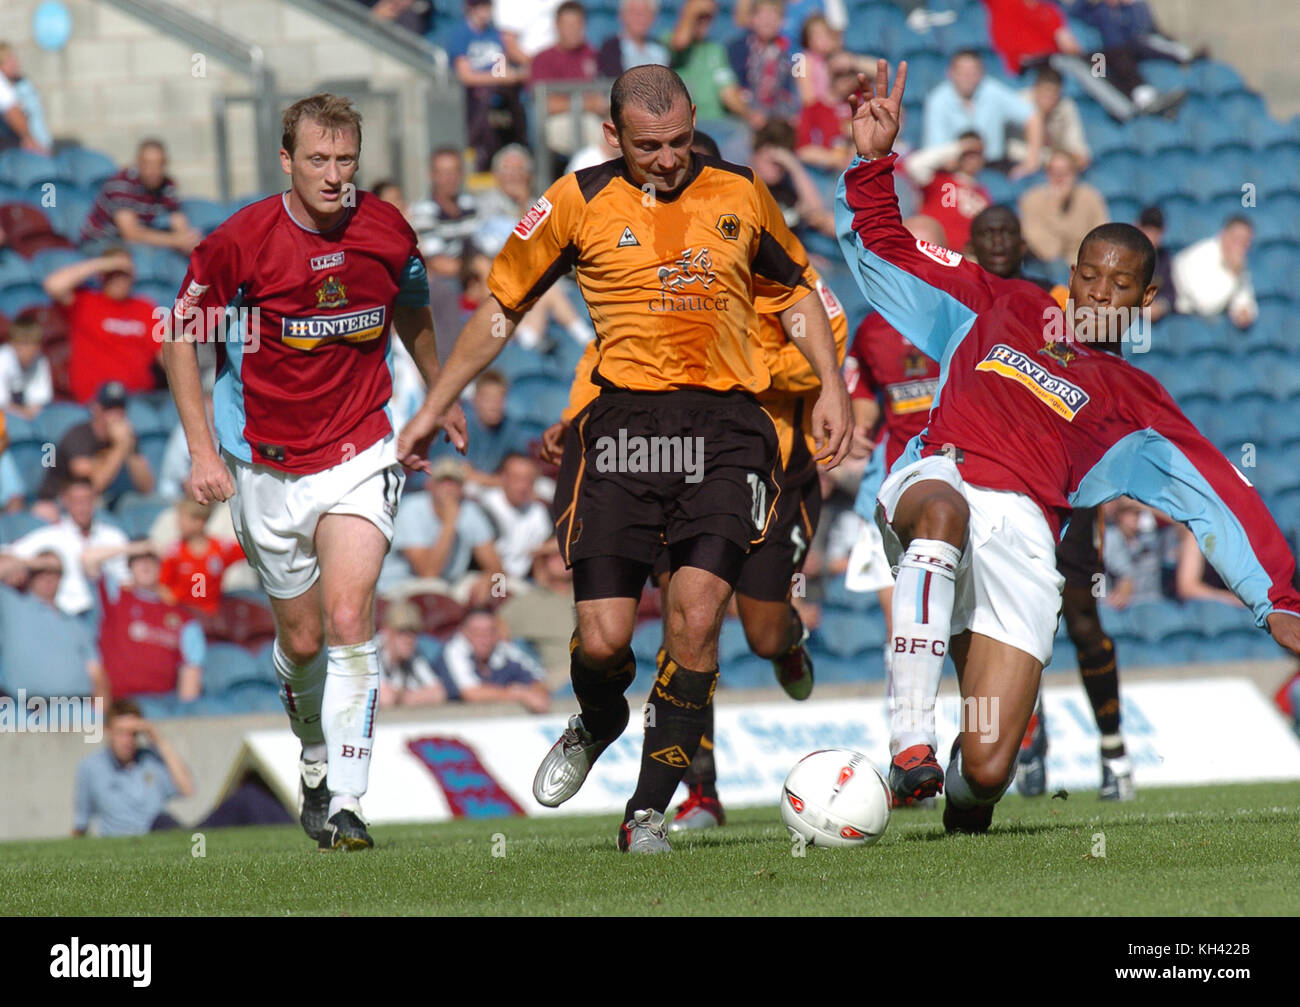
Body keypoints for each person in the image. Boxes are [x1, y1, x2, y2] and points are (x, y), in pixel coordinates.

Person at [838, 60, 1300, 835]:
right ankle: (908, 736)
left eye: (1119, 287)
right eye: (1088, 276)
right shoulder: (999, 300)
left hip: (1022, 540)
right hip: (937, 481)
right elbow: (887, 248)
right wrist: (871, 163)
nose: (1096, 295)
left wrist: (1277, 599)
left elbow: (1219, 493)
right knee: (943, 511)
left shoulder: (1137, 405)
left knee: (986, 771)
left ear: (1146, 298)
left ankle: (956, 785)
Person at [418, 64, 850, 852]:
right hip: (622, 430)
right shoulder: (574, 200)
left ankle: (649, 809)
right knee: (606, 638)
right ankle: (600, 717)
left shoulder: (741, 191)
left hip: (728, 430)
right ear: (613, 135)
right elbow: (502, 307)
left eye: (681, 141)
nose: (669, 159)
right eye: (649, 146)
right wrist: (436, 400)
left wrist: (833, 391)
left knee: (694, 619)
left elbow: (798, 292)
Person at [161, 92, 467, 852]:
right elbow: (178, 337)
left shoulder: (387, 228)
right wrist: (202, 450)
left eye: (346, 162)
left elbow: (415, 307)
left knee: (347, 618)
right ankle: (314, 756)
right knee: (301, 641)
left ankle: (351, 804)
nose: (334, 177)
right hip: (264, 460)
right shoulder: (241, 241)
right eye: (319, 161)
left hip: (362, 446)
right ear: (287, 161)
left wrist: (438, 391)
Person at [541, 130, 852, 830]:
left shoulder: (768, 261)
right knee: (685, 622)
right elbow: (609, 358)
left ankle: (786, 648)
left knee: (762, 630)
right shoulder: (657, 279)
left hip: (770, 469)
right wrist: (572, 418)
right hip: (658, 463)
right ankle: (684, 792)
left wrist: (742, 365)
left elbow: (825, 333)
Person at [966, 203, 1133, 800]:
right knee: (1001, 624)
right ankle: (1025, 744)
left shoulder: (1053, 304)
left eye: (1010, 232)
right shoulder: (966, 302)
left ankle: (1114, 753)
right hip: (994, 482)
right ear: (972, 244)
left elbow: (1104, 377)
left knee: (1083, 617)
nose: (1001, 242)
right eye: (989, 234)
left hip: (1064, 490)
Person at [84, 537, 206, 704]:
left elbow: (191, 676)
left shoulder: (184, 620)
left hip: (162, 705)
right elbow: (88, 560)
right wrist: (133, 548)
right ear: (130, 567)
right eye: (138, 560)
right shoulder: (116, 597)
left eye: (151, 560)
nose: (146, 565)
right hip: (118, 705)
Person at [42, 250, 164, 405]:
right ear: (102, 275)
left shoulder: (146, 308)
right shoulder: (86, 302)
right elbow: (53, 285)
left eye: (124, 274)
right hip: (96, 401)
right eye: (113, 274)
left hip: (139, 400)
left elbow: (165, 356)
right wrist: (105, 263)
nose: (119, 280)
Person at [382, 456, 505, 602]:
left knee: (502, 588)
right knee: (433, 590)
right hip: (399, 586)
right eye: (443, 482)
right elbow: (428, 574)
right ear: (430, 485)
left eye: (455, 483)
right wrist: (449, 523)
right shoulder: (411, 510)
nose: (449, 488)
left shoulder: (470, 511)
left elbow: (496, 567)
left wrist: (488, 580)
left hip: (448, 585)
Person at [4, 478, 129, 617]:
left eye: (87, 500)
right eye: (76, 501)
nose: (82, 506)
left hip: (107, 615)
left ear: (95, 500)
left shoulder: (113, 536)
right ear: (65, 502)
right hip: (65, 615)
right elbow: (7, 556)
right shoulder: (51, 535)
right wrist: (39, 564)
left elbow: (126, 578)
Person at [0, 549, 102, 700]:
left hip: (76, 710)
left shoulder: (75, 623)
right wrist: (35, 563)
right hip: (25, 710)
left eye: (55, 572)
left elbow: (95, 671)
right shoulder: (12, 606)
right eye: (42, 572)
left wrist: (101, 712)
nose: (48, 578)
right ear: (31, 575)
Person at [36, 381, 155, 504]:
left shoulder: (126, 436)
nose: (115, 415)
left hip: (99, 505)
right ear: (96, 408)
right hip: (57, 503)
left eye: (120, 409)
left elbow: (147, 488)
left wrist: (129, 450)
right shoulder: (78, 436)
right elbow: (91, 487)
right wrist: (120, 448)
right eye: (109, 409)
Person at [921, 50, 1039, 174]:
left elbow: (1032, 116)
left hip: (993, 167)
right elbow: (935, 150)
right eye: (962, 73)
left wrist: (1031, 161)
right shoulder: (938, 101)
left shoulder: (993, 91)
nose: (967, 78)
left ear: (981, 73)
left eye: (972, 73)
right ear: (950, 73)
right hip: (955, 170)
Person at [448, 0, 529, 172]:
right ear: (469, 9)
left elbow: (501, 70)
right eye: (479, 7)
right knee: (484, 100)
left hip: (496, 91)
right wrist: (498, 78)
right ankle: (479, 154)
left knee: (511, 97)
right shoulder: (461, 35)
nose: (484, 11)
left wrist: (509, 76)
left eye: (487, 6)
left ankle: (520, 146)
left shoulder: (495, 35)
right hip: (471, 95)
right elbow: (466, 76)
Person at [80, 139, 201, 253]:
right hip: (100, 241)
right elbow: (130, 233)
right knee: (141, 256)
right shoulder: (121, 185)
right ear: (137, 162)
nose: (152, 170)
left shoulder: (167, 186)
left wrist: (189, 242)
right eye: (147, 163)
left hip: (132, 241)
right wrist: (176, 241)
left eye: (157, 164)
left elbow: (179, 224)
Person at [433, 607, 551, 712]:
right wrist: (520, 695)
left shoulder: (504, 648)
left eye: (490, 631)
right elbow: (471, 693)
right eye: (477, 632)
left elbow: (539, 680)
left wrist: (536, 693)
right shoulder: (453, 650)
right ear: (464, 633)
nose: (485, 638)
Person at [531, 1, 607, 162]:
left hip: (595, 116)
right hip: (558, 121)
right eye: (567, 24)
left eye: (577, 24)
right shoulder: (543, 59)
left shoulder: (593, 54)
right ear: (557, 26)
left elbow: (602, 93)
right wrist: (585, 104)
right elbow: (546, 104)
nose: (573, 30)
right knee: (600, 133)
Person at [903, 130, 991, 254]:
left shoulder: (983, 193)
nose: (972, 159)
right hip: (933, 251)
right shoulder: (938, 180)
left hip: (964, 259)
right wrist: (959, 147)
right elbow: (913, 165)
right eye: (967, 153)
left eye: (977, 154)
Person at [1018, 149, 1109, 266]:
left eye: (1065, 172)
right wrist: (1055, 207)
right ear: (1047, 173)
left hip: (1084, 261)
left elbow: (1101, 237)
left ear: (1075, 174)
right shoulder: (1032, 200)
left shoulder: (1090, 197)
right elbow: (1049, 250)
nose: (1059, 178)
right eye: (1054, 172)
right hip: (1047, 267)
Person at [158, 497, 245, 615]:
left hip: (212, 616)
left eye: (183, 521)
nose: (178, 525)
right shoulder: (174, 552)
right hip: (183, 615)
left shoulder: (221, 549)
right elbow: (163, 586)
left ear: (199, 522)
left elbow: (249, 551)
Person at [409, 147, 482, 280]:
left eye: (454, 171)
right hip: (442, 281)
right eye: (444, 173)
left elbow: (482, 244)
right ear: (431, 175)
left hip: (470, 276)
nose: (450, 178)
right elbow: (437, 263)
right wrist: (476, 267)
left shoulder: (471, 204)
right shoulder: (423, 211)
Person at [478, 452, 553, 580]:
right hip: (486, 576)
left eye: (528, 480)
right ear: (503, 478)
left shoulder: (538, 512)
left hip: (522, 581)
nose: (522, 486)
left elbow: (537, 558)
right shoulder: (484, 505)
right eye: (516, 478)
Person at [1171, 217, 1257, 328]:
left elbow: (1244, 299)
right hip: (1181, 321)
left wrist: (1244, 312)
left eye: (1245, 241)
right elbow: (1206, 307)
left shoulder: (1238, 263)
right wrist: (1233, 275)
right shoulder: (1199, 256)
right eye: (1236, 239)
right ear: (1223, 235)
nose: (1240, 246)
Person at [376, 600, 448, 706]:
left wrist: (400, 696)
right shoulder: (372, 653)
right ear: (386, 631)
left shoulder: (413, 655)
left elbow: (439, 694)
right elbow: (386, 698)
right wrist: (415, 694)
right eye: (402, 632)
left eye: (413, 633)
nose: (409, 640)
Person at [597, 0, 669, 77]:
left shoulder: (661, 50)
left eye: (645, 13)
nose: (639, 18)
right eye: (633, 12)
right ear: (621, 15)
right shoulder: (609, 49)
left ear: (654, 18)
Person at [0, 41, 48, 154]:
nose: (15, 64)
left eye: (14, 60)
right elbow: (11, 110)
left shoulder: (24, 83)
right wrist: (31, 141)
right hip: (20, 148)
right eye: (9, 61)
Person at [0, 316, 53, 417]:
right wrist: (23, 414)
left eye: (33, 345)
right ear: (12, 344)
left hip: (26, 413)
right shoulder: (2, 359)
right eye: (23, 344)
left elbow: (39, 399)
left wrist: (29, 413)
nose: (29, 351)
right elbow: (2, 403)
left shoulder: (40, 360)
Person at [1135, 205, 1175, 323]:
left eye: (1156, 232)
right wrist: (1142, 308)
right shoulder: (1126, 256)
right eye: (1148, 229)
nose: (1151, 236)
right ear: (1137, 226)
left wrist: (1161, 306)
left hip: (1156, 319)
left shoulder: (1163, 258)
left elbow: (1170, 294)